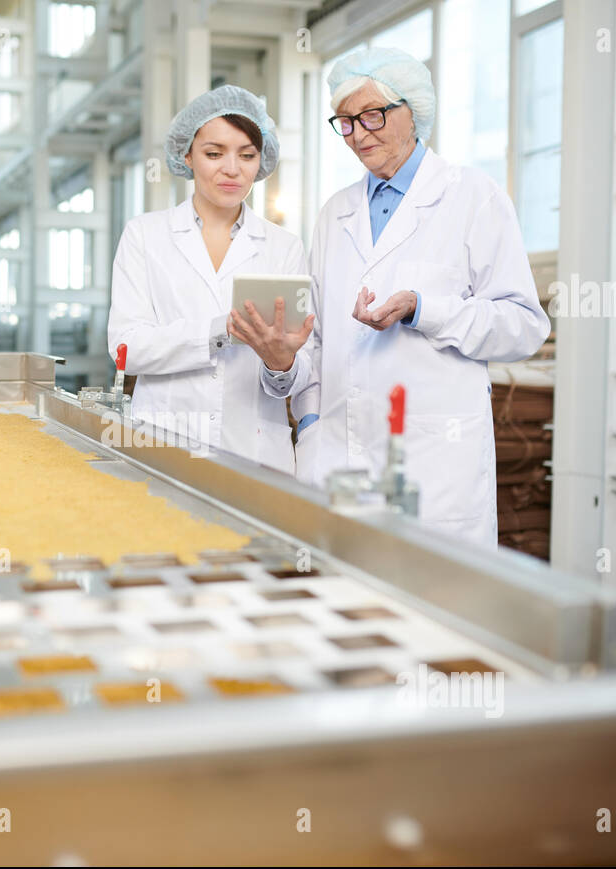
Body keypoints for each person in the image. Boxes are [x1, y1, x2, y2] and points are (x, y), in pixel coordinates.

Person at [228, 47, 550, 547]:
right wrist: (308, 416)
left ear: (413, 111)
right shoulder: (335, 213)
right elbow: (316, 338)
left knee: (432, 606)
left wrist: (425, 308)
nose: (358, 134)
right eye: (346, 122)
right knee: (340, 604)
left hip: (435, 465)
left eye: (372, 115)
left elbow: (524, 326)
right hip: (337, 456)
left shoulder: (473, 198)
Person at [107, 85, 313, 473]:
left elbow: (297, 373)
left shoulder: (284, 246)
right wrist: (223, 330)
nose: (232, 169)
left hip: (256, 453)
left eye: (247, 155)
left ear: (261, 160)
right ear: (187, 154)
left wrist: (280, 362)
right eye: (214, 153)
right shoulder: (145, 236)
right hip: (163, 443)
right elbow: (126, 347)